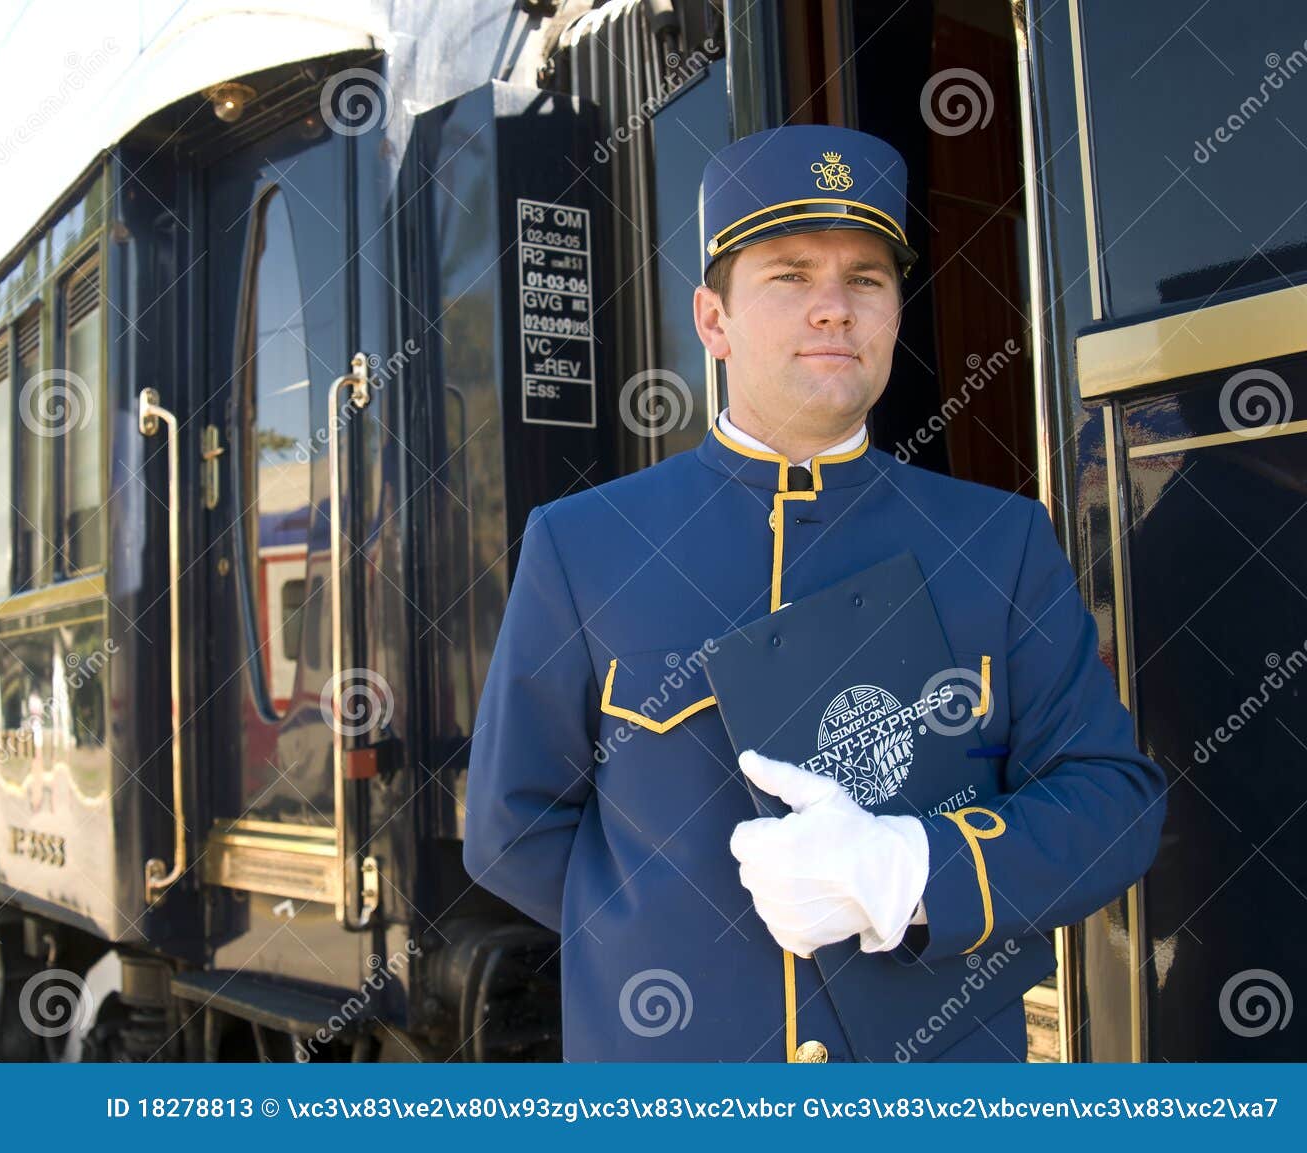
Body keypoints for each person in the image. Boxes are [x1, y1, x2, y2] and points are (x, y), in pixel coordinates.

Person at [462, 123, 1166, 1062]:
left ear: (895, 316)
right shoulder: (585, 544)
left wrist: (911, 871)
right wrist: (683, 957)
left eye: (866, 280)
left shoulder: (999, 541)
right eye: (790, 274)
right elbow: (513, 827)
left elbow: (1113, 804)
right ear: (712, 319)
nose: (833, 307)